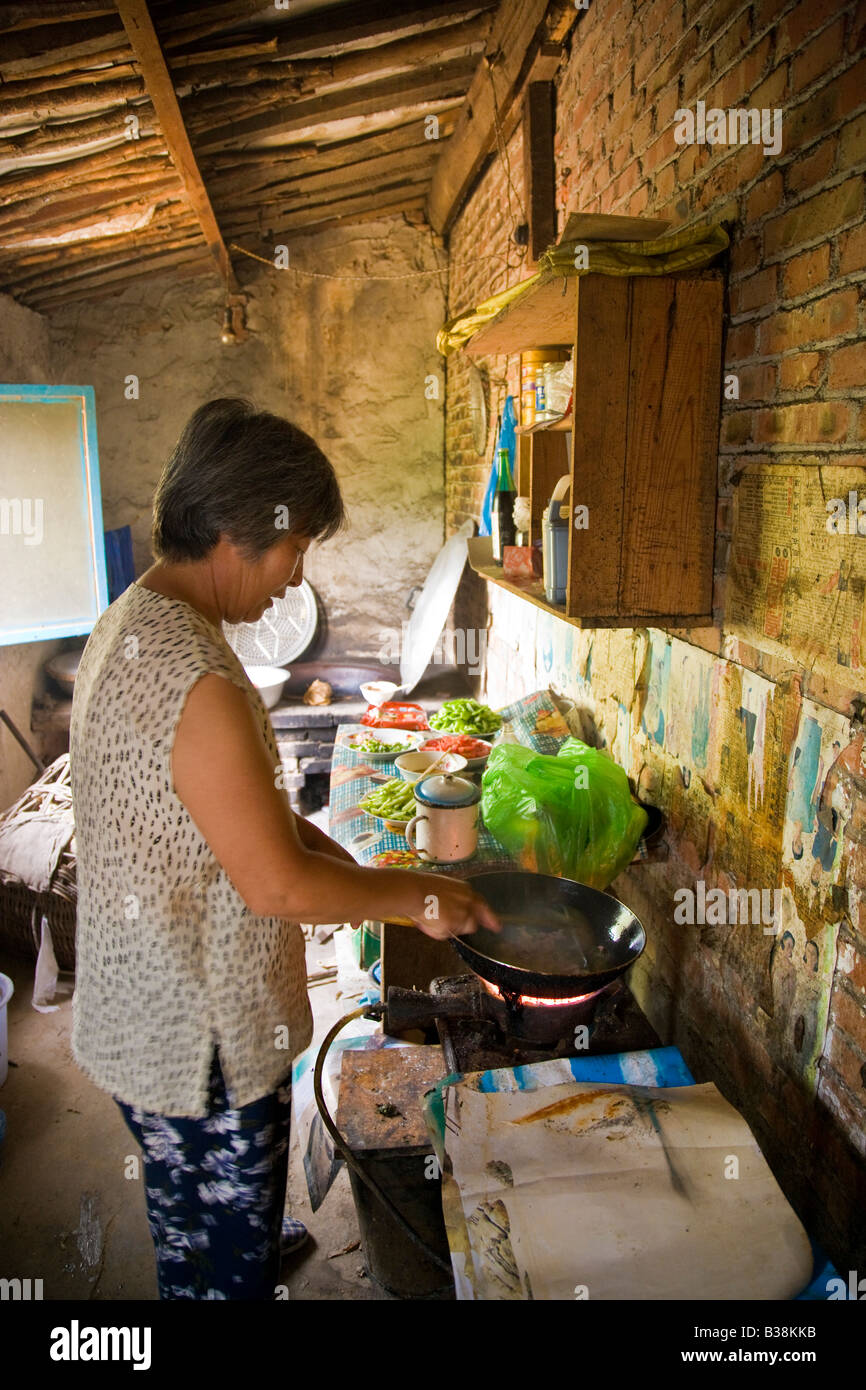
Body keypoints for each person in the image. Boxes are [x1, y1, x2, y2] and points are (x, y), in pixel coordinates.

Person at [69, 398, 499, 1301]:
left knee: (195, 1218)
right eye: (293, 552)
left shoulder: (134, 621)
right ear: (234, 533)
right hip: (200, 1042)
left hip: (145, 1011)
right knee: (220, 1272)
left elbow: (241, 820)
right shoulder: (197, 681)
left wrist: (362, 871)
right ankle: (230, 1256)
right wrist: (422, 898)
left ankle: (234, 1232)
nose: (292, 583)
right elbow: (273, 884)